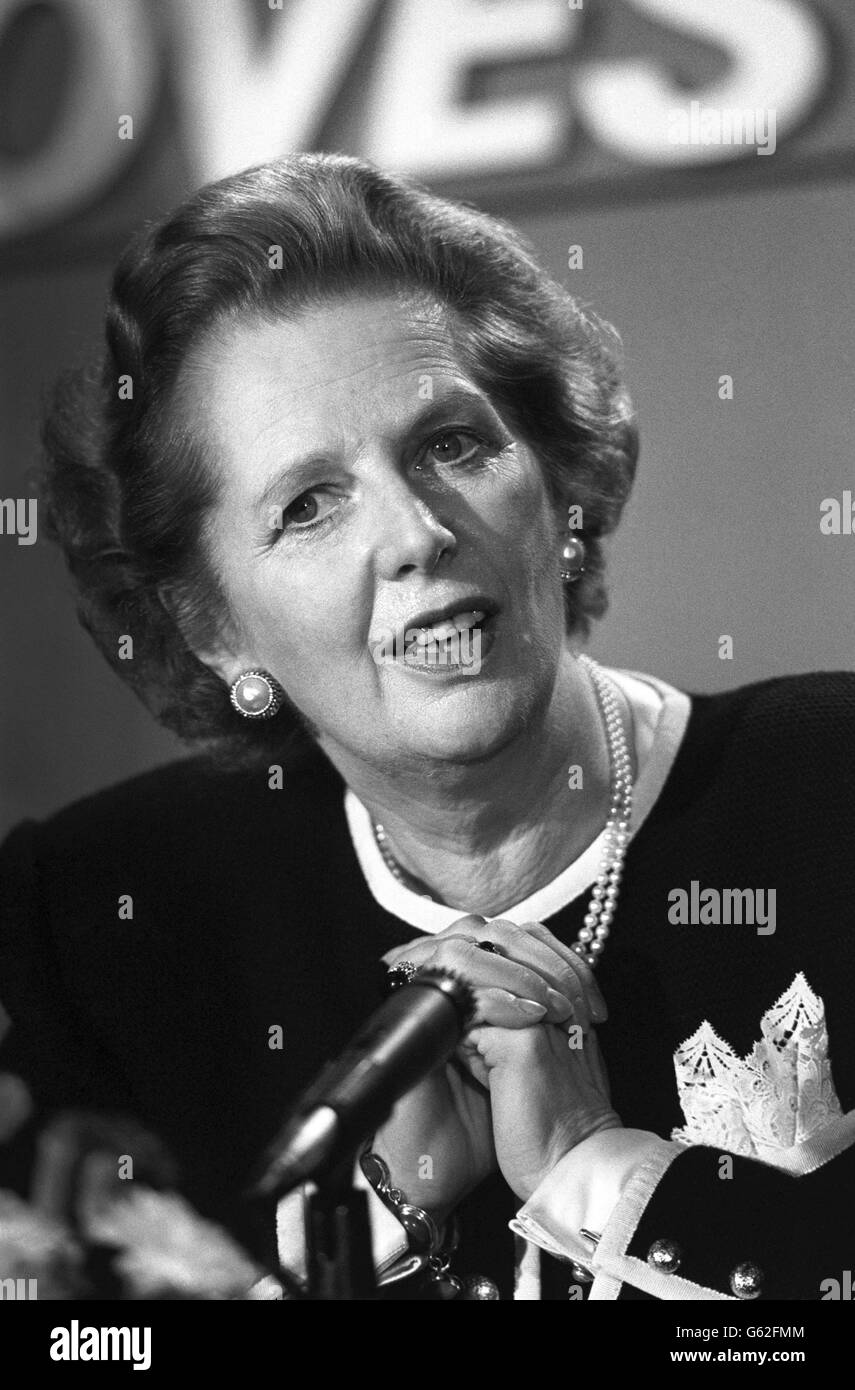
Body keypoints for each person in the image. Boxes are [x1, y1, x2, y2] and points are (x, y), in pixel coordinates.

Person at [1, 152, 853, 1301]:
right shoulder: (106, 923)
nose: (414, 533)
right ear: (212, 630)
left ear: (560, 486)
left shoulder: (830, 790)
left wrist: (601, 1178)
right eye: (309, 504)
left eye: (452, 444)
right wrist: (378, 1219)